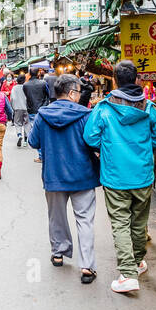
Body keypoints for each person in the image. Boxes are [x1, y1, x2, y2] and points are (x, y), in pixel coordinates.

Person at [84, 60, 156, 294]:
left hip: (114, 175)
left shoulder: (103, 108)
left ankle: (128, 273)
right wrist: (140, 146)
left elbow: (90, 138)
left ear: (114, 80)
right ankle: (138, 262)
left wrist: (110, 147)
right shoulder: (149, 107)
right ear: (136, 79)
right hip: (142, 174)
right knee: (139, 221)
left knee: (120, 223)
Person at [29, 74, 99, 283]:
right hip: (83, 175)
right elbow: (94, 142)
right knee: (85, 220)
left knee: (56, 217)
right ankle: (87, 266)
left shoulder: (43, 115)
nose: (79, 96)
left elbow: (33, 142)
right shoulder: (86, 115)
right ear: (71, 93)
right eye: (78, 92)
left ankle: (59, 253)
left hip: (54, 175)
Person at [11, 72, 30, 146]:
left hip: (17, 108)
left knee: (17, 123)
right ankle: (25, 141)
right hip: (26, 108)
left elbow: (12, 98)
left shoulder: (14, 88)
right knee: (27, 123)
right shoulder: (26, 87)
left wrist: (13, 107)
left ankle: (19, 135)